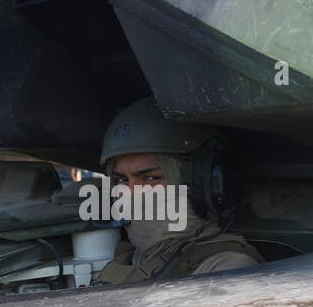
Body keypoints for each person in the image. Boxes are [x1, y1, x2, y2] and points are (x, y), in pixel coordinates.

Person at [93, 98, 263, 284]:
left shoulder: (226, 268)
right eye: (122, 180)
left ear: (206, 188)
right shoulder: (130, 258)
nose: (131, 193)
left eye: (150, 178)